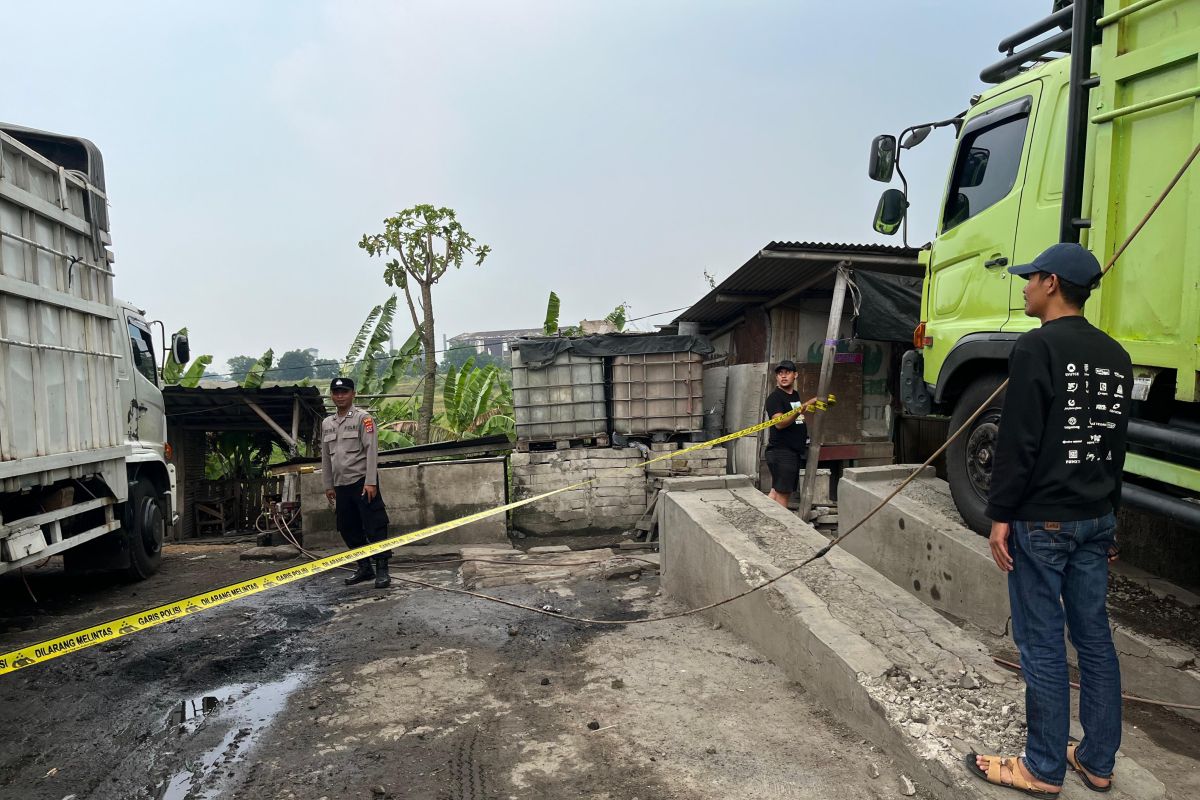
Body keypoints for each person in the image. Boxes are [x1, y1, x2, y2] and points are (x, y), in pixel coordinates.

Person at [967, 243, 1131, 796]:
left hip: (1044, 521)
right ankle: (1098, 760)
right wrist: (1111, 515)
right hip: (1094, 518)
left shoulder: (1036, 347)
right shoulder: (1115, 355)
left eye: (1030, 278)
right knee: (1095, 641)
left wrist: (1000, 516)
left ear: (1052, 283)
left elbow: (1019, 441)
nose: (1024, 286)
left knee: (1041, 645)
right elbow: (1114, 445)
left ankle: (1041, 767)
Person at [321, 376, 392, 588]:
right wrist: (328, 485)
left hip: (362, 482)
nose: (340, 396)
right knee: (347, 528)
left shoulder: (364, 419)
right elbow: (325, 456)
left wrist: (371, 482)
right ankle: (364, 567)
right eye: (336, 392)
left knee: (375, 526)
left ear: (353, 394)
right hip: (340, 485)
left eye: (344, 392)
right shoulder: (327, 423)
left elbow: (371, 451)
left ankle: (382, 570)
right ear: (332, 395)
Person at [763, 360, 819, 508]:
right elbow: (780, 423)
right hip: (782, 452)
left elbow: (797, 418)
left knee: (776, 492)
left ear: (795, 375)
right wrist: (801, 409)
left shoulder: (794, 395)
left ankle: (765, 521)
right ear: (776, 377)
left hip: (792, 452)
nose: (783, 376)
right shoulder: (775, 398)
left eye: (787, 372)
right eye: (780, 373)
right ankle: (783, 528)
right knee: (783, 495)